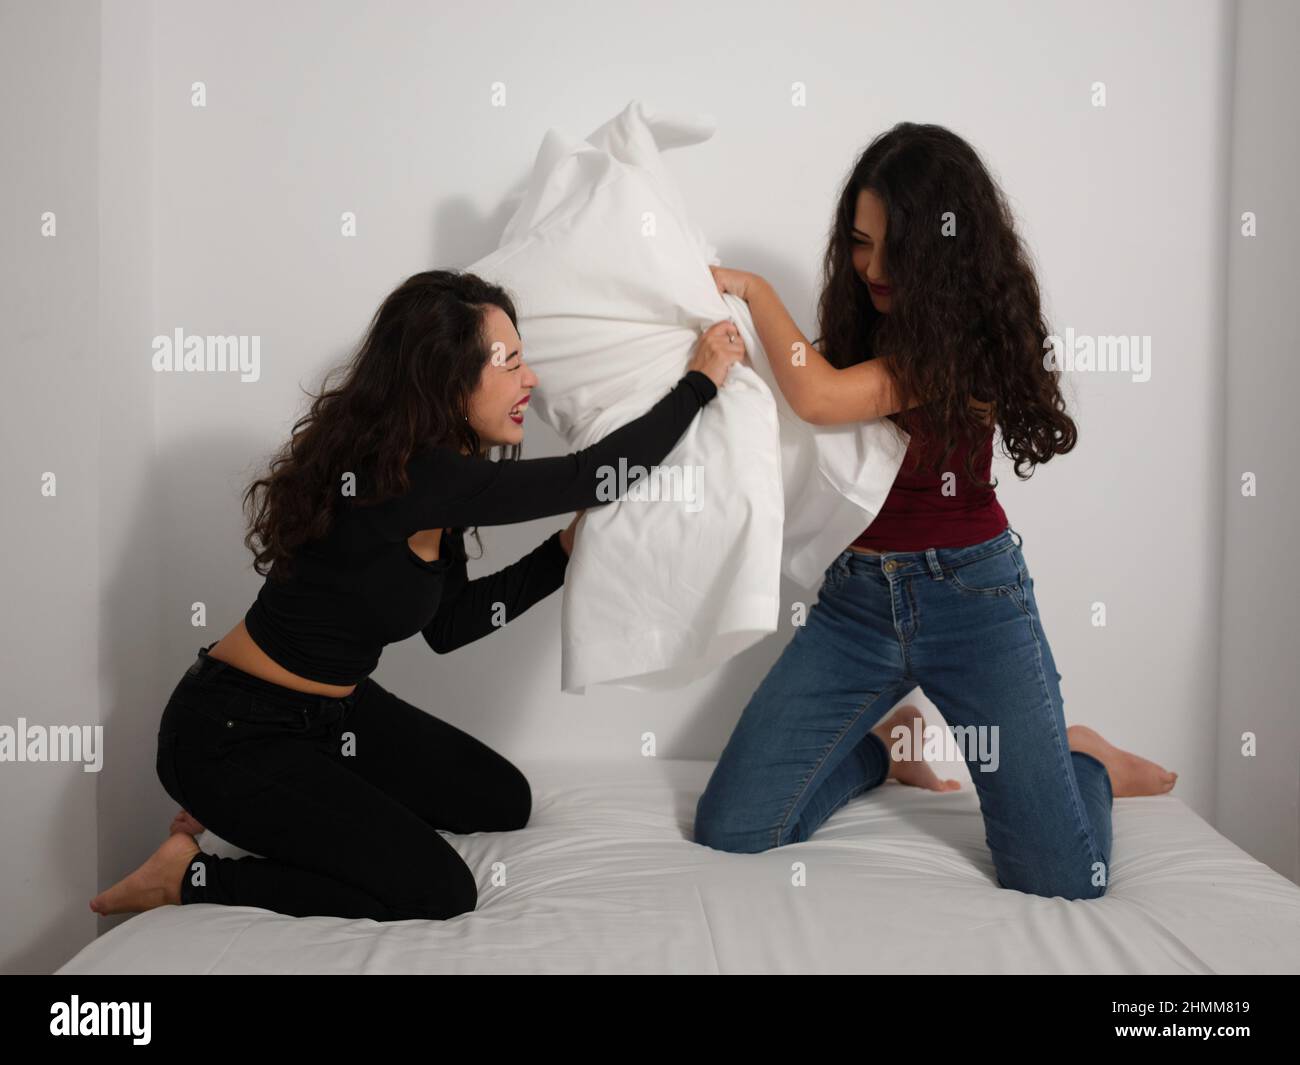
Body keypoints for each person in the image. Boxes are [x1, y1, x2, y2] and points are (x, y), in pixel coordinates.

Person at [90, 269, 744, 921]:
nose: (530, 380)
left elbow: (449, 625)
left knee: (501, 801)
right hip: (231, 732)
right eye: (510, 363)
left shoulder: (428, 468)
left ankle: (293, 801)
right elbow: (592, 477)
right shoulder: (417, 478)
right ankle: (190, 876)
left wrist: (560, 557)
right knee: (439, 891)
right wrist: (700, 382)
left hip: (334, 716)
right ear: (448, 377)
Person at [695, 122, 1176, 900]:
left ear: (946, 249)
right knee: (735, 826)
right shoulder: (862, 326)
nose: (873, 268)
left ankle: (1083, 757)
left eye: (895, 249)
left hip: (974, 604)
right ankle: (884, 749)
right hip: (856, 605)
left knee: (1062, 877)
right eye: (859, 242)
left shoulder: (966, 345)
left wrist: (752, 291)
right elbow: (801, 402)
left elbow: (816, 396)